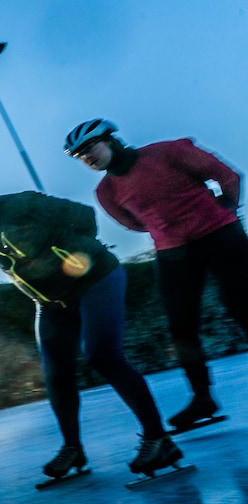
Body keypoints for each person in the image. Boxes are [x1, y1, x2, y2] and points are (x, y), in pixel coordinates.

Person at [0, 170, 181, 481]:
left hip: (95, 280)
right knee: (55, 374)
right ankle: (72, 449)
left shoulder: (20, 204)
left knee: (102, 355)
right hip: (51, 304)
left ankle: (159, 439)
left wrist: (75, 257)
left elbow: (84, 216)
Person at [65, 119, 248, 429]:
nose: (87, 157)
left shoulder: (167, 152)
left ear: (110, 140)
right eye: (80, 155)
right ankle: (202, 399)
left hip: (220, 235)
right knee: (181, 327)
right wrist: (166, 230)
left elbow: (226, 175)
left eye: (90, 147)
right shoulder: (106, 191)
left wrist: (228, 205)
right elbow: (133, 224)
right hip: (173, 253)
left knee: (242, 306)